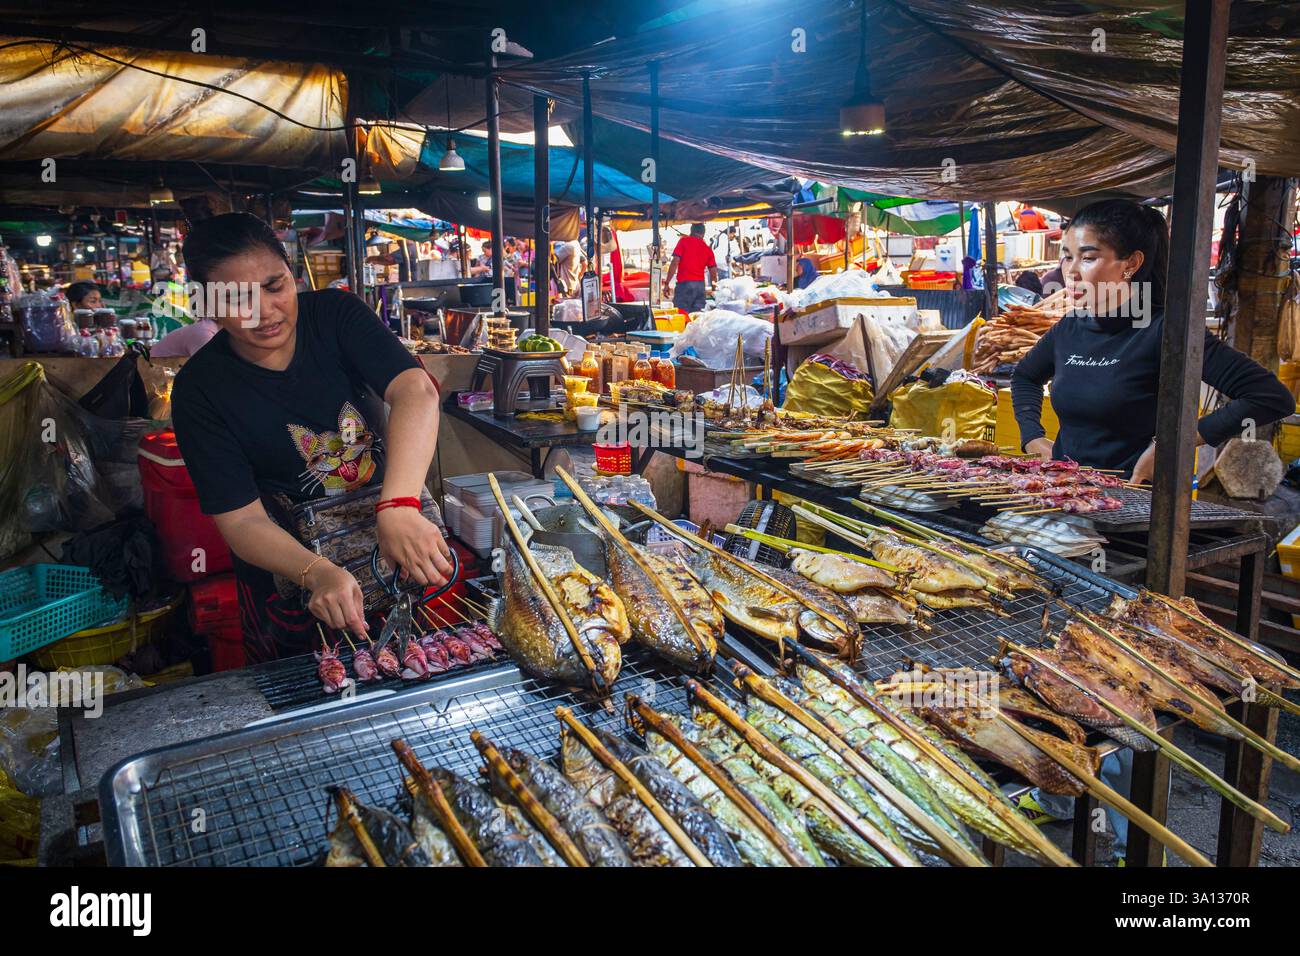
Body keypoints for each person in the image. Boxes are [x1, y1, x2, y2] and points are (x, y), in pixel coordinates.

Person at [171, 213, 452, 663]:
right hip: (292, 573)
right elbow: (241, 522)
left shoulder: (336, 315)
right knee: (319, 684)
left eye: (275, 286)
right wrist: (316, 572)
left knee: (429, 664)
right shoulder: (198, 391)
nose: (264, 312)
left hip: (395, 543)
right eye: (238, 298)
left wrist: (398, 505)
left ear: (293, 275)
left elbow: (415, 391)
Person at [1012, 198, 1294, 484]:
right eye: (1067, 256)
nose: (1070, 272)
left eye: (1087, 258)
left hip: (1137, 504)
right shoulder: (1068, 328)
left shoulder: (1166, 331)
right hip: (1066, 495)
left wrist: (1171, 444)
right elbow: (1024, 376)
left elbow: (1270, 397)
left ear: (1131, 264)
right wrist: (1032, 437)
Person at [663, 223, 717, 314]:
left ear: (691, 231)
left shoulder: (684, 241)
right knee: (697, 317)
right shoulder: (707, 249)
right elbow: (713, 271)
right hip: (700, 286)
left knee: (681, 315)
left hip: (685, 285)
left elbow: (675, 262)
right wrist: (714, 288)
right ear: (703, 233)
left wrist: (667, 283)